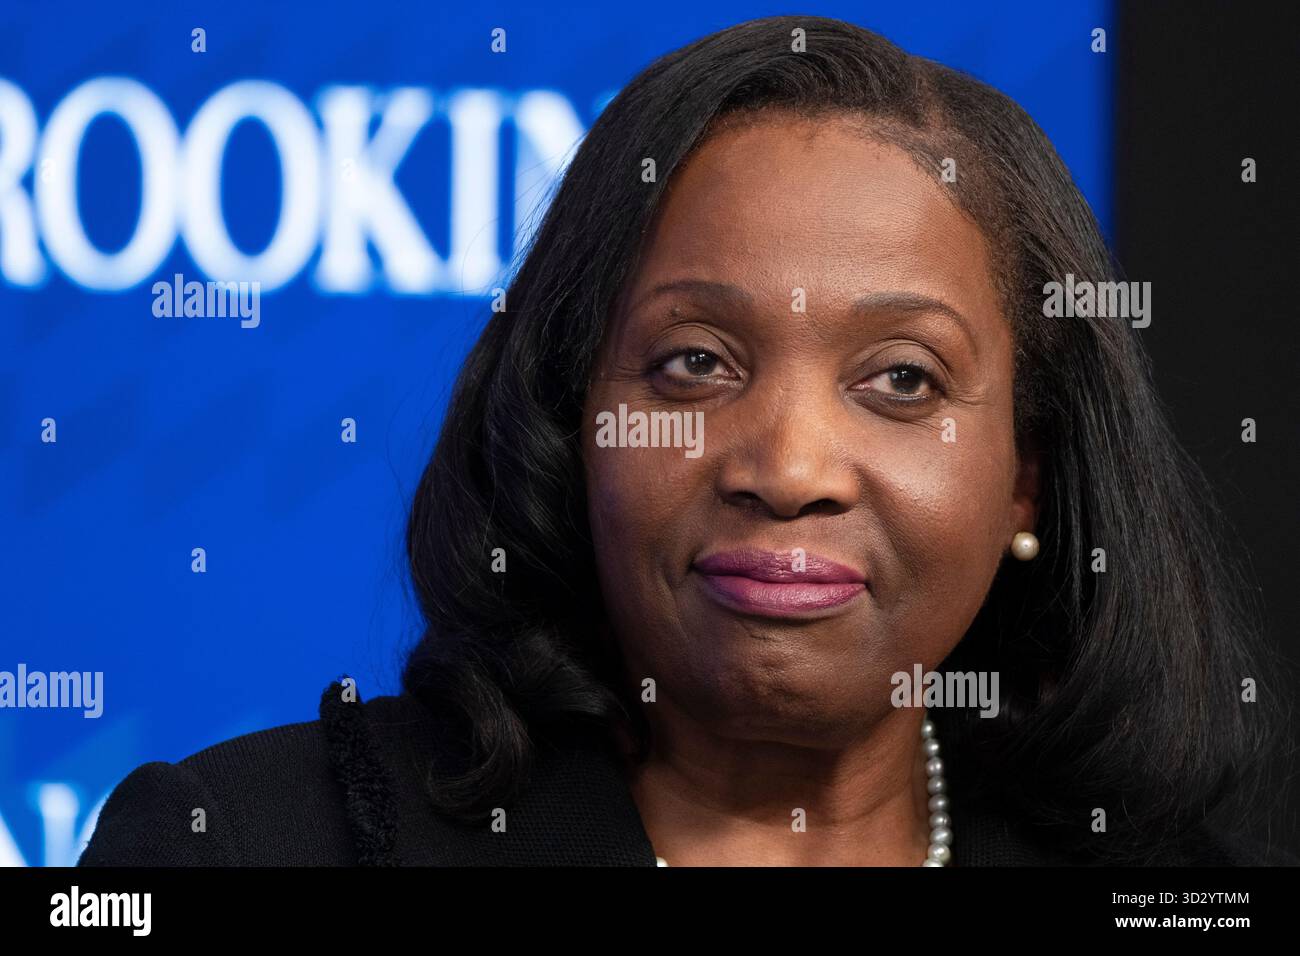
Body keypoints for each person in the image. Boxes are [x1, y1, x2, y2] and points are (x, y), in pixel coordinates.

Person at [79, 14, 1296, 867]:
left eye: (901, 378)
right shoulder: (245, 843)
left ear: (1026, 476)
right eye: (695, 363)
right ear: (574, 420)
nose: (788, 468)